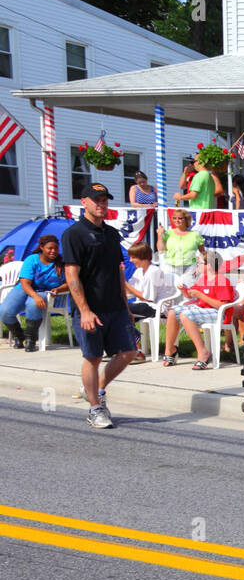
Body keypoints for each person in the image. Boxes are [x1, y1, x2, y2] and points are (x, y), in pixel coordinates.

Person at [61, 183, 138, 429]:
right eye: (97, 200)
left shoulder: (112, 233)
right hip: (90, 308)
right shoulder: (74, 233)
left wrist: (126, 306)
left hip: (115, 306)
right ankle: (95, 409)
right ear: (84, 202)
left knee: (129, 352)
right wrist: (84, 310)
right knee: (93, 357)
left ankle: (97, 389)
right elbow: (72, 275)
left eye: (105, 200)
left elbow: (118, 272)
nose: (102, 204)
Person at [163, 249, 236, 369]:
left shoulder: (221, 281)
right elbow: (191, 295)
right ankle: (169, 349)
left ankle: (203, 352)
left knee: (186, 315)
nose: (198, 265)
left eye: (200, 263)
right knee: (172, 312)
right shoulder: (203, 279)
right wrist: (184, 291)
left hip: (219, 313)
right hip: (203, 310)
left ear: (210, 265)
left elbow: (222, 305)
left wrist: (201, 295)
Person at [2, 235, 66, 352]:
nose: (53, 251)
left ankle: (30, 339)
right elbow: (25, 283)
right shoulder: (32, 260)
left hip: (44, 292)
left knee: (33, 304)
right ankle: (19, 336)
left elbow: (69, 283)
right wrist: (35, 296)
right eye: (50, 248)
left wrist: (59, 289)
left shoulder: (61, 264)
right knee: (5, 311)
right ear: (41, 247)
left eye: (56, 248)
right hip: (24, 288)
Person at [124, 242, 174, 361]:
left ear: (143, 257)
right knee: (117, 310)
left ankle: (134, 347)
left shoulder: (154, 272)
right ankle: (133, 348)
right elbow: (129, 291)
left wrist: (123, 282)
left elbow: (148, 298)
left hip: (156, 308)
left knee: (121, 309)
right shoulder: (139, 271)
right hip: (143, 305)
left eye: (133, 257)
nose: (130, 260)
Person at [157, 210, 204, 286]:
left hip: (190, 268)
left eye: (180, 218)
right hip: (170, 267)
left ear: (186, 219)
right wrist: (160, 235)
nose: (177, 220)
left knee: (189, 292)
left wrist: (201, 266)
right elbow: (161, 250)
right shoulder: (167, 234)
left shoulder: (195, 235)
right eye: (174, 218)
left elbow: (203, 252)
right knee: (170, 293)